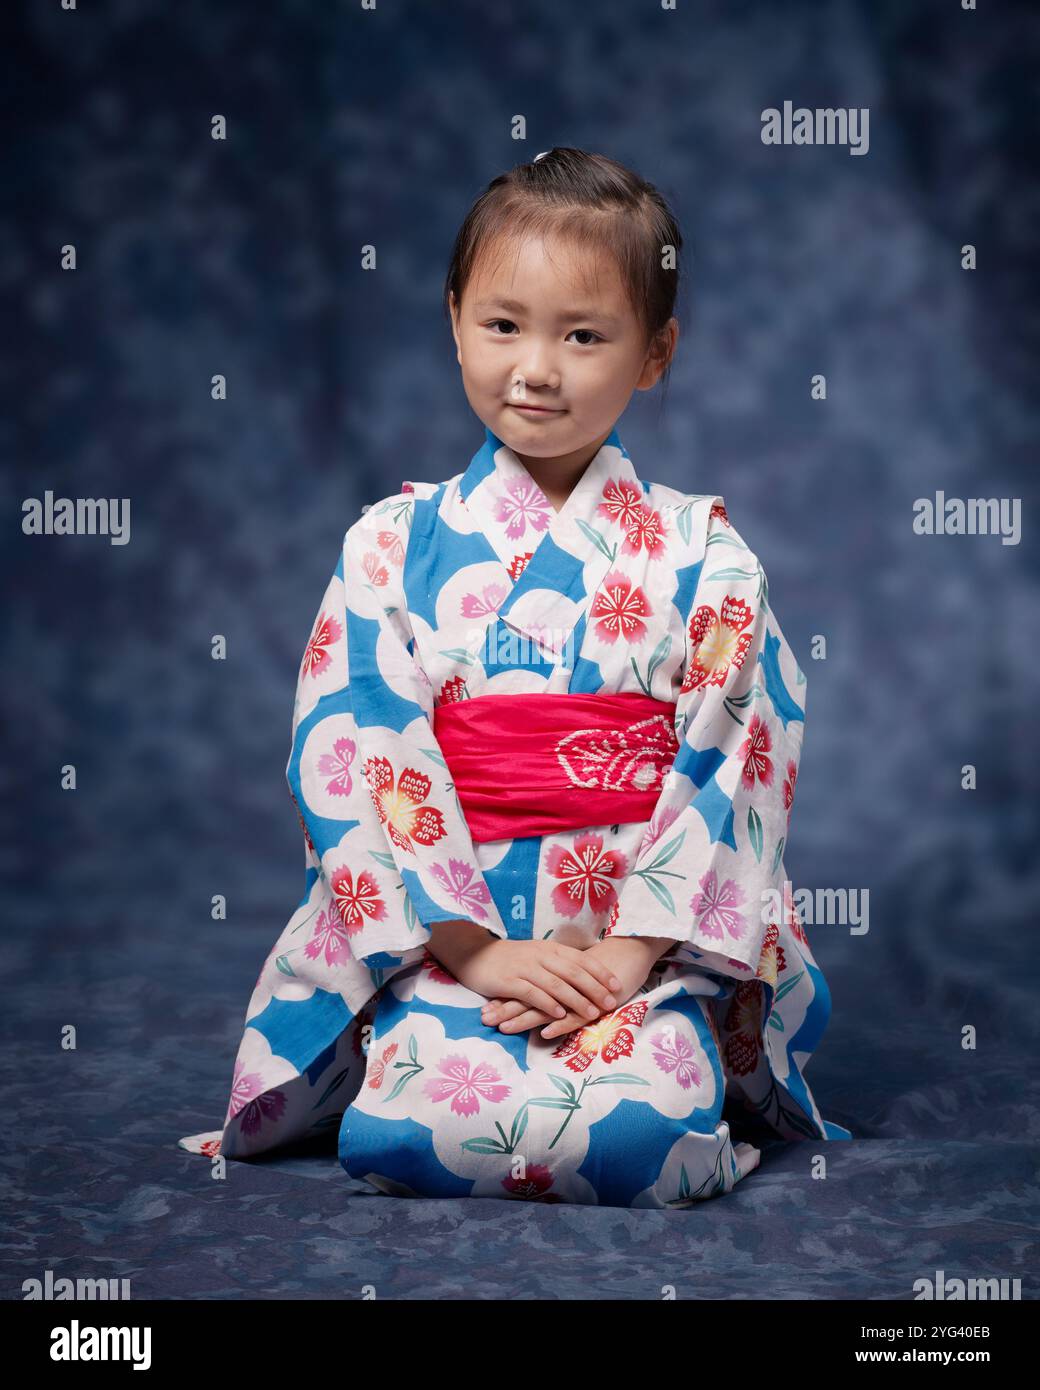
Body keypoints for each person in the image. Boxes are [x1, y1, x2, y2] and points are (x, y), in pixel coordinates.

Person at [179, 146, 850, 1207]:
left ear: (655, 352)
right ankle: (419, 1034)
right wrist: (474, 950)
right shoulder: (389, 548)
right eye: (502, 324)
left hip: (641, 945)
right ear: (453, 321)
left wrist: (627, 956)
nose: (535, 366)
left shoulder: (708, 561)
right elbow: (354, 752)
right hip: (446, 939)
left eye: (583, 335)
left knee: (638, 1140)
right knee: (408, 1127)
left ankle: (667, 1056)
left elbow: (734, 767)